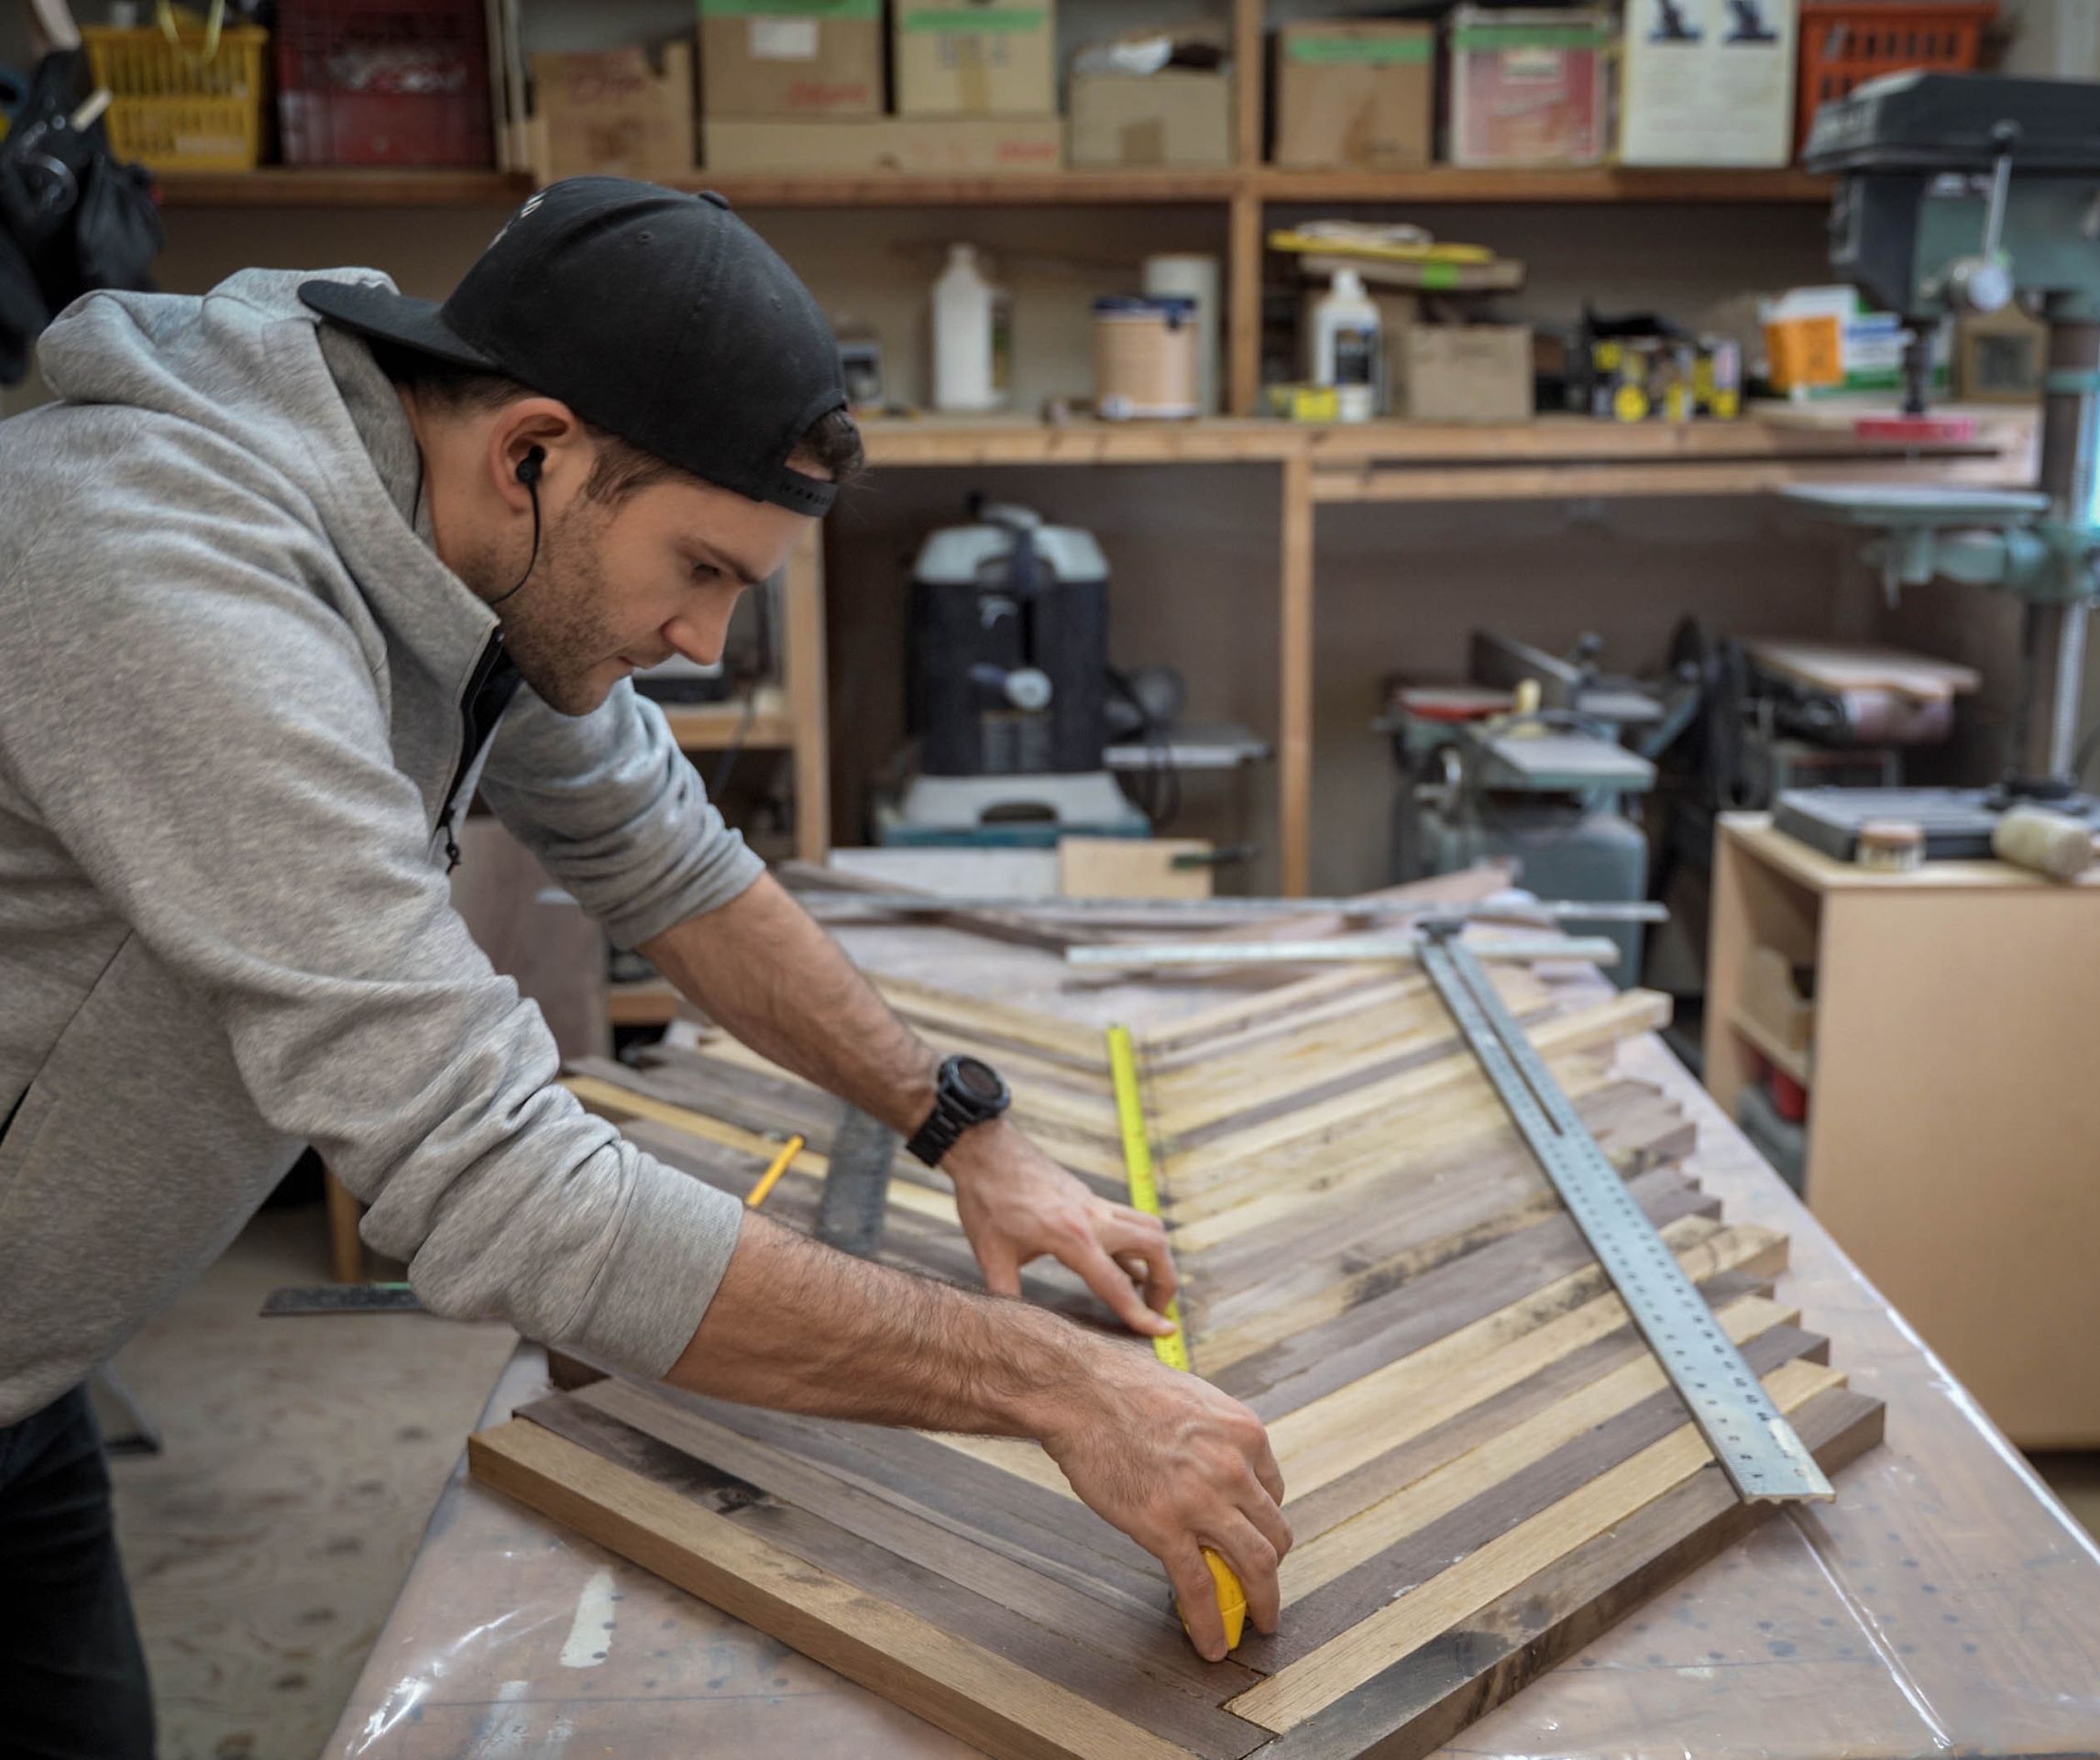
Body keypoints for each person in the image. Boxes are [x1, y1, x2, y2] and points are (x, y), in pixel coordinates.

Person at [0, 177, 1289, 1757]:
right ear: (534, 448)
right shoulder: (173, 580)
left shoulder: (465, 538)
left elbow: (665, 861)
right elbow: (488, 1184)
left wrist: (970, 1133)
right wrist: (1064, 1391)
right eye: (703, 571)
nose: (706, 646)